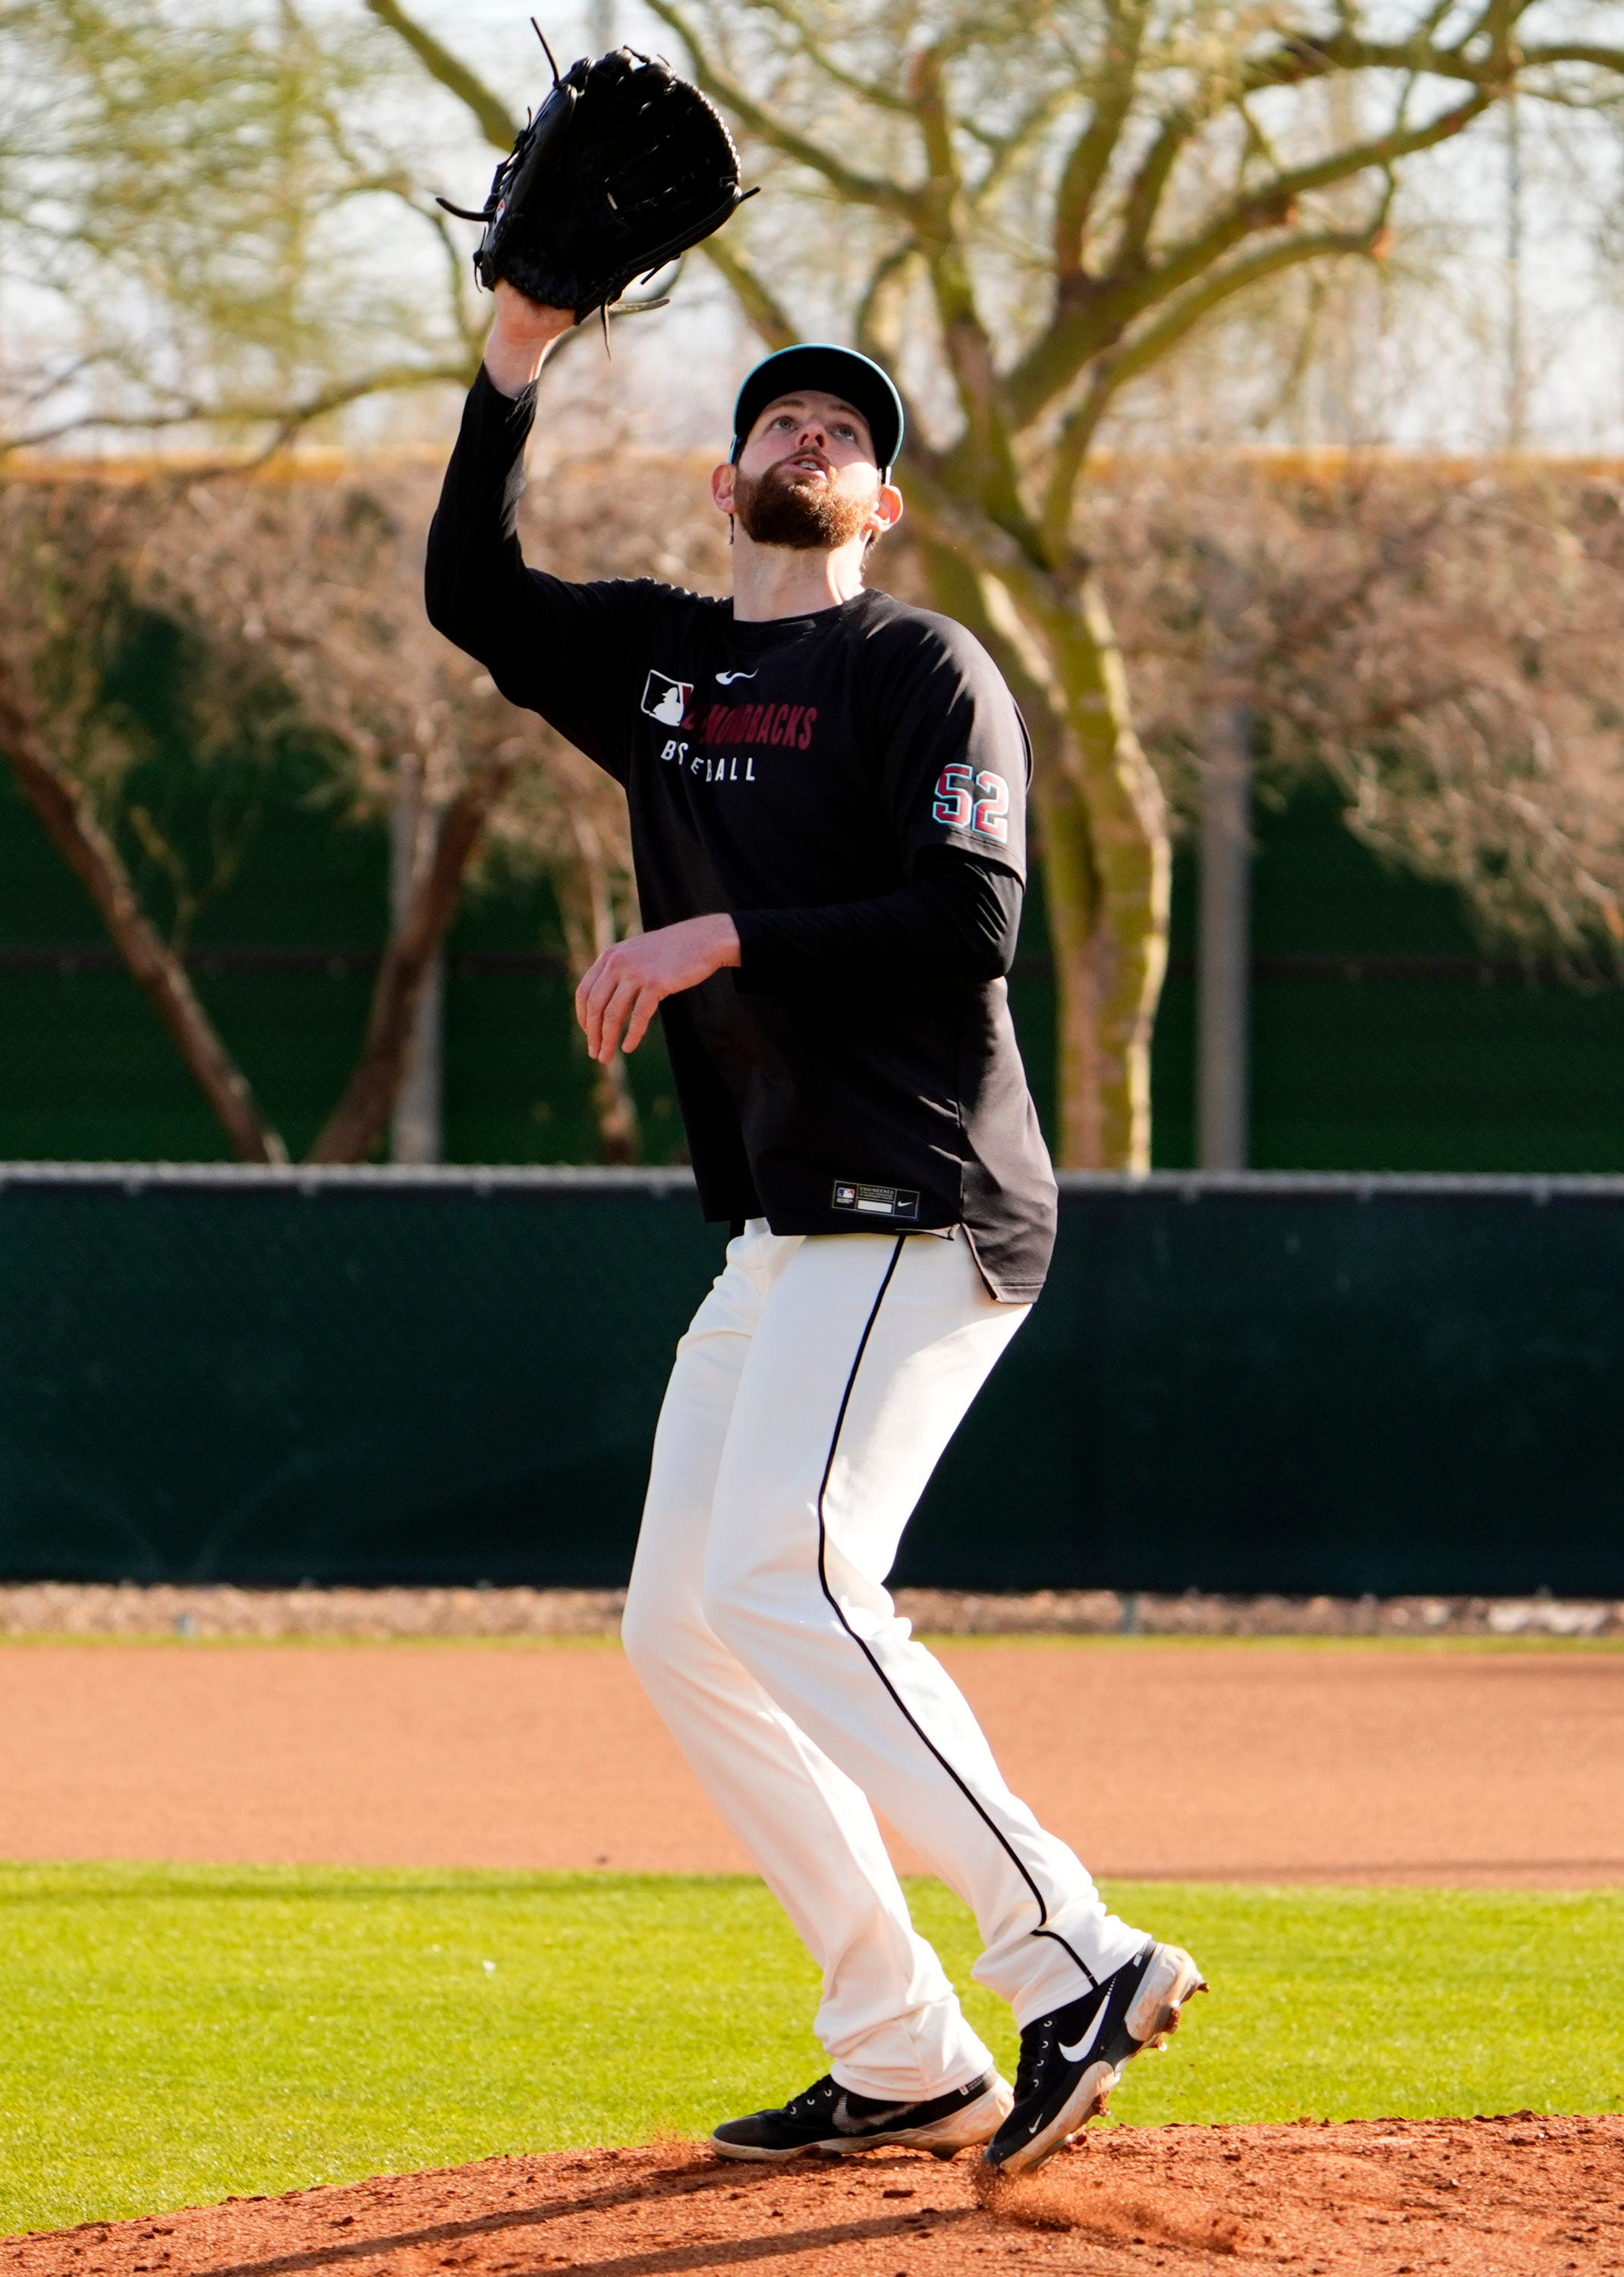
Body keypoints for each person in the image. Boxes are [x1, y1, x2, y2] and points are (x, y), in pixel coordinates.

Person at [424, 279, 1204, 2178]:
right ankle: (902, 2043)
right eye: (782, 422)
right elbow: (470, 591)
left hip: (923, 1195)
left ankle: (1075, 1948)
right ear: (723, 480)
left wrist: (718, 936)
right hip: (786, 1228)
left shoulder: (921, 667)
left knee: (786, 1572)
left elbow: (969, 925)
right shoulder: (667, 670)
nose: (812, 441)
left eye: (845, 435)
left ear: (882, 507)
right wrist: (517, 348)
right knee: (681, 1624)